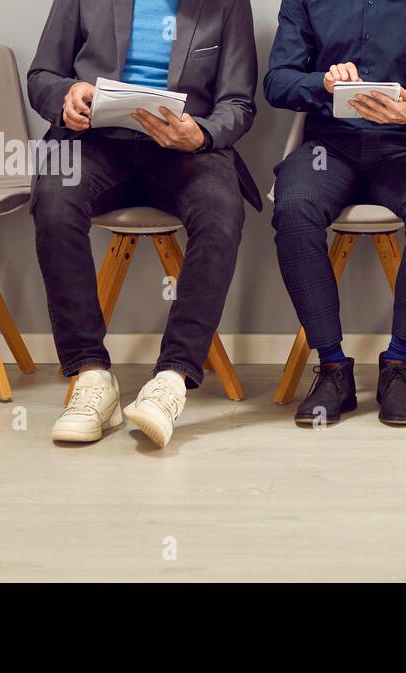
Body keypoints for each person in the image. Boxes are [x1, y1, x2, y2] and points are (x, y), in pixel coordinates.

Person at [28, 0, 260, 447]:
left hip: (185, 150)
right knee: (55, 201)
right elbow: (42, 76)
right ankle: (91, 378)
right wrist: (66, 96)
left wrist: (204, 133)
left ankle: (171, 380)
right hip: (95, 142)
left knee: (221, 212)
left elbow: (238, 102)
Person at [264, 0, 406, 427]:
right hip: (329, 147)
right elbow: (276, 81)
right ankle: (332, 367)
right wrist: (322, 83)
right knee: (295, 205)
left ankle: (398, 365)